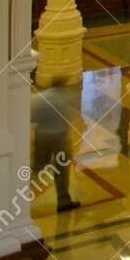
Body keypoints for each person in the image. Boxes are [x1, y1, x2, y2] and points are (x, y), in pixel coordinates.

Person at [30, 82, 80, 213]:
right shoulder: (63, 99)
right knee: (61, 169)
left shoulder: (40, 98)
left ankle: (18, 193)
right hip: (59, 138)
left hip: (42, 137)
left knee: (37, 168)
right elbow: (68, 118)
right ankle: (63, 201)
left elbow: (33, 118)